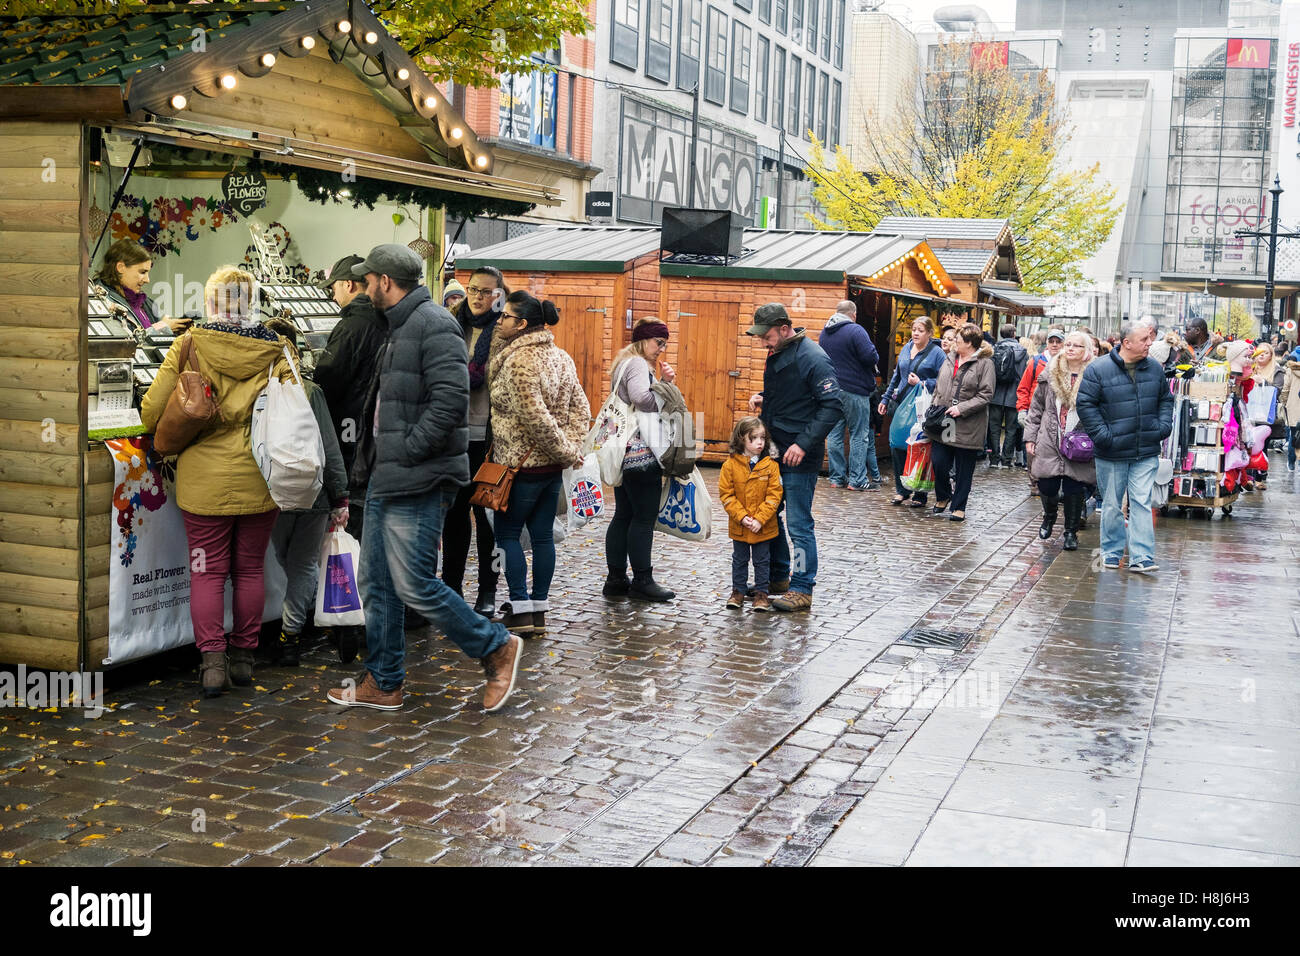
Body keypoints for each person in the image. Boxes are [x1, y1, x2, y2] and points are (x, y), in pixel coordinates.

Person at [326, 244, 521, 713]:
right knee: (376, 581)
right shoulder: (397, 324)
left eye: (368, 279)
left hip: (419, 477)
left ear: (386, 283)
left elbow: (449, 403)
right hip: (385, 477)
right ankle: (385, 679)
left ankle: (495, 646)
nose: (364, 287)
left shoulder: (433, 324)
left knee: (413, 582)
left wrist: (407, 451)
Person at [140, 266, 293, 697]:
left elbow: (152, 412)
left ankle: (211, 664)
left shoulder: (188, 345)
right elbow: (295, 408)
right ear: (251, 304)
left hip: (203, 482)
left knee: (205, 573)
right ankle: (245, 657)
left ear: (210, 302)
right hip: (261, 478)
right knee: (248, 568)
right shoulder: (278, 350)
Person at [487, 291, 590, 636]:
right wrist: (569, 448)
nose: (499, 321)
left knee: (508, 534)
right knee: (543, 536)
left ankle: (521, 609)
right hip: (550, 470)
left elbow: (536, 417)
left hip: (521, 466)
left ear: (522, 324)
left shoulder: (518, 360)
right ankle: (538, 610)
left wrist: (564, 450)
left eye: (506, 316)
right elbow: (581, 410)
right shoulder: (560, 356)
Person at [311, 253, 387, 663]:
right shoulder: (388, 320)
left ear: (350, 286)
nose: (335, 294)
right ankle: (379, 617)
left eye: (336, 286)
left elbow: (328, 381)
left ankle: (347, 624)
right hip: (376, 443)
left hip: (348, 440)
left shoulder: (352, 324)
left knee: (347, 529)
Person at [263, 318, 350, 665]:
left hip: (274, 491)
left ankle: (290, 634)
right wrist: (340, 494)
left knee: (288, 558)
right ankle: (296, 632)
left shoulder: (256, 391)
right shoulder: (311, 391)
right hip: (313, 492)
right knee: (300, 563)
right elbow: (329, 445)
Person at [747, 303, 843, 612]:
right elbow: (794, 396)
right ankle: (778, 578)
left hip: (800, 454)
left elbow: (832, 407)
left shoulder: (813, 358)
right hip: (774, 449)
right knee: (770, 513)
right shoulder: (779, 352)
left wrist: (802, 444)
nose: (764, 342)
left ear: (785, 329)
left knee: (799, 523)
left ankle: (802, 587)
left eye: (768, 336)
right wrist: (765, 399)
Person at [1075, 318, 1174, 574]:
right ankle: (1111, 552)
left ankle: (1142, 556)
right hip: (1112, 451)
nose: (1150, 344)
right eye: (1144, 339)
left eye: (1150, 338)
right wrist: (1103, 436)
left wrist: (1162, 427)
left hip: (1146, 448)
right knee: (1111, 503)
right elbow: (1086, 405)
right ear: (1126, 342)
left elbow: (1166, 399)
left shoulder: (1154, 368)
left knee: (1142, 501)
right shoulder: (1098, 369)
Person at [444, 266, 508, 617]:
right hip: (454, 434)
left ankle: (487, 591)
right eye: (473, 289)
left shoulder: (507, 329)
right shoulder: (452, 323)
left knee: (487, 519)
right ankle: (451, 588)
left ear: (498, 295)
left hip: (491, 438)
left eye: (486, 291)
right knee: (453, 518)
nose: (479, 296)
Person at [604, 317, 678, 602]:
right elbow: (643, 399)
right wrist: (666, 384)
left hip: (624, 452)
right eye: (658, 342)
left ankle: (616, 578)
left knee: (623, 514)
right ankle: (643, 580)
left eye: (664, 344)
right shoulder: (637, 364)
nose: (661, 349)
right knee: (644, 517)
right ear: (643, 340)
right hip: (641, 454)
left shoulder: (624, 362)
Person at [1025, 331, 1097, 551]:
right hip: (1050, 436)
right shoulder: (1051, 372)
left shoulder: (1095, 375)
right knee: (1047, 482)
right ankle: (1049, 516)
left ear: (1087, 351)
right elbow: (1036, 407)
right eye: (1068, 344)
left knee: (1075, 487)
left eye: (1077, 346)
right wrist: (1030, 436)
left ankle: (1070, 532)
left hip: (1080, 438)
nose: (1071, 348)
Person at [928, 324, 995, 521]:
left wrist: (962, 408)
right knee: (939, 461)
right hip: (944, 421)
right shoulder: (949, 359)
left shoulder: (985, 364)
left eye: (958, 340)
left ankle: (959, 506)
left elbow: (986, 394)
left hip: (969, 424)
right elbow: (939, 386)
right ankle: (943, 495)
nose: (954, 342)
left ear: (970, 343)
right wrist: (933, 406)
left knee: (964, 468)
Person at [879, 317, 946, 508]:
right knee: (897, 445)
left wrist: (922, 383)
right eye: (914, 330)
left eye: (920, 330)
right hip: (901, 404)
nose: (915, 333)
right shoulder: (907, 348)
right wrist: (886, 398)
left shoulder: (937, 354)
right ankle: (902, 490)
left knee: (918, 447)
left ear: (930, 333)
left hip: (922, 407)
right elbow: (896, 376)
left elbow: (944, 381)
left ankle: (920, 492)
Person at [719, 417, 783, 613]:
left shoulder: (770, 465)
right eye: (753, 438)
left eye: (762, 438)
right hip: (740, 525)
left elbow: (775, 494)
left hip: (763, 526)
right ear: (741, 439)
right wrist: (742, 517)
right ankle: (738, 591)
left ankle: (762, 593)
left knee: (762, 560)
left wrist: (760, 519)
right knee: (739, 559)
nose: (759, 442)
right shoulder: (730, 465)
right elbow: (726, 494)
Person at [821, 300, 882, 490]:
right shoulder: (855, 330)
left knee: (834, 435)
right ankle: (857, 480)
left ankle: (837, 478)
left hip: (832, 390)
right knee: (859, 434)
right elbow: (871, 357)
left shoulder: (824, 333)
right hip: (854, 389)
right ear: (853, 314)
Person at [94, 239, 192, 341]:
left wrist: (176, 329)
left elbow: (150, 331)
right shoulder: (101, 301)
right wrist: (163, 327)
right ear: (120, 267)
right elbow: (124, 342)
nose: (147, 280)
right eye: (142, 272)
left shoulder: (143, 302)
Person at [1017, 328, 1063, 495]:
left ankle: (1052, 479)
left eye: (1058, 342)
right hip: (1035, 410)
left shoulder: (1066, 362)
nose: (1055, 345)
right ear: (1047, 343)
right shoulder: (1036, 362)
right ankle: (1034, 480)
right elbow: (1023, 387)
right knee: (1032, 447)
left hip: (1056, 412)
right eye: (1052, 341)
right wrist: (1022, 409)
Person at [988, 323, 1028, 468]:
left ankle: (993, 459)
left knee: (994, 427)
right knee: (1011, 428)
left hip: (996, 393)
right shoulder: (1023, 351)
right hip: (1015, 394)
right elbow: (1024, 373)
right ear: (1014, 334)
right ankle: (1006, 460)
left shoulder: (994, 349)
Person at [1279, 348, 1300, 472]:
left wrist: (1286, 403)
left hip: (1294, 408)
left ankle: (1291, 463)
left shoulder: (1291, 371)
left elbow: (1285, 390)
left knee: (1294, 435)